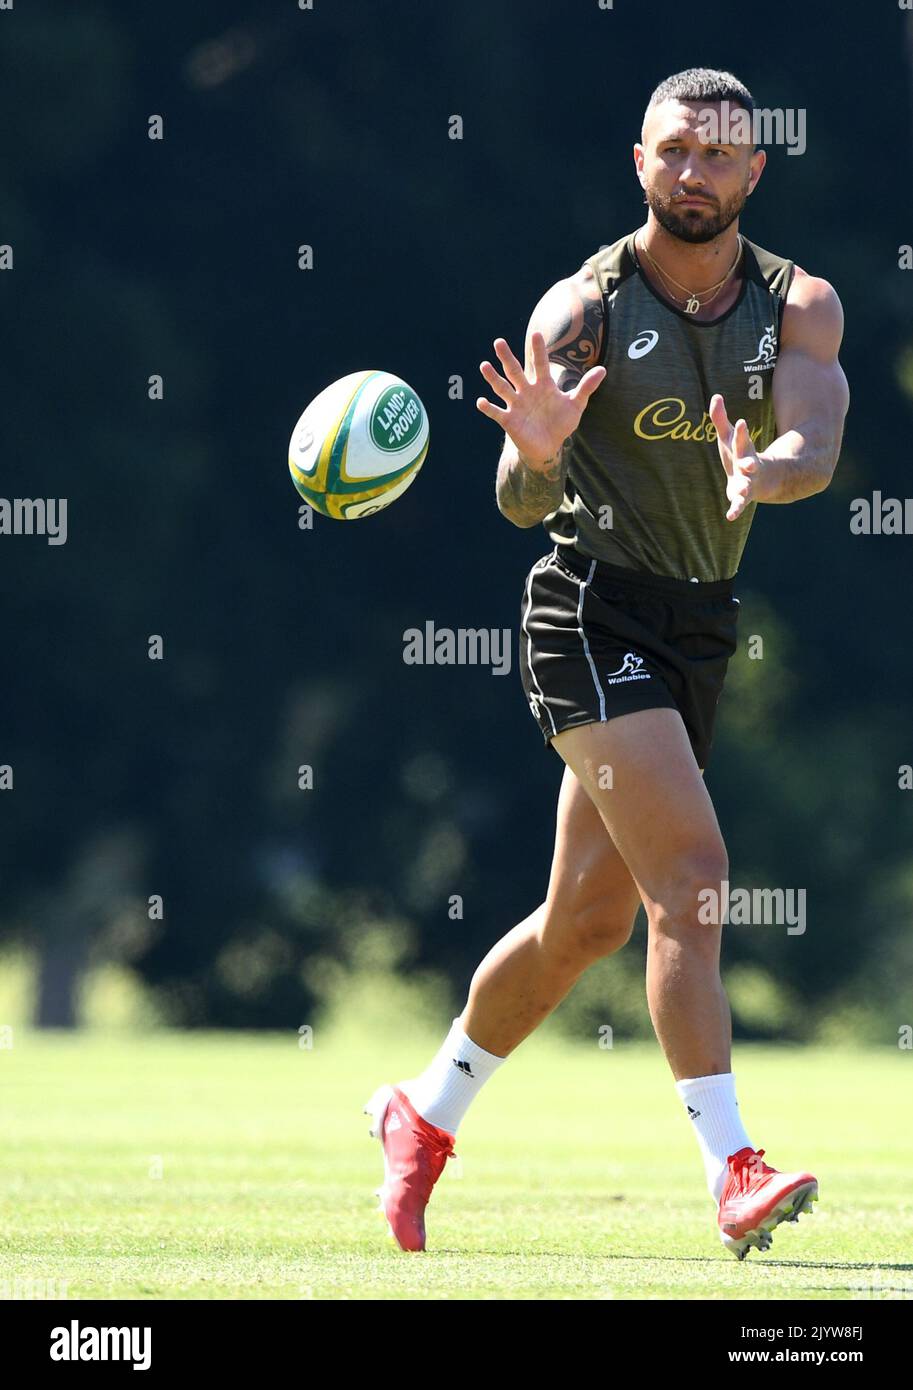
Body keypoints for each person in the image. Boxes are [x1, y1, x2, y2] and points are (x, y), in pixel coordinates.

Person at [365, 67, 849, 1260]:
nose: (697, 171)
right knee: (691, 873)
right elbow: (521, 503)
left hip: (697, 625)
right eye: (676, 150)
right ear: (639, 162)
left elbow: (814, 441)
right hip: (585, 613)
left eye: (722, 153)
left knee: (583, 922)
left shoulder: (801, 306)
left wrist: (765, 472)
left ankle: (420, 1115)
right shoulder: (578, 312)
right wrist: (533, 453)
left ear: (755, 171)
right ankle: (732, 1164)